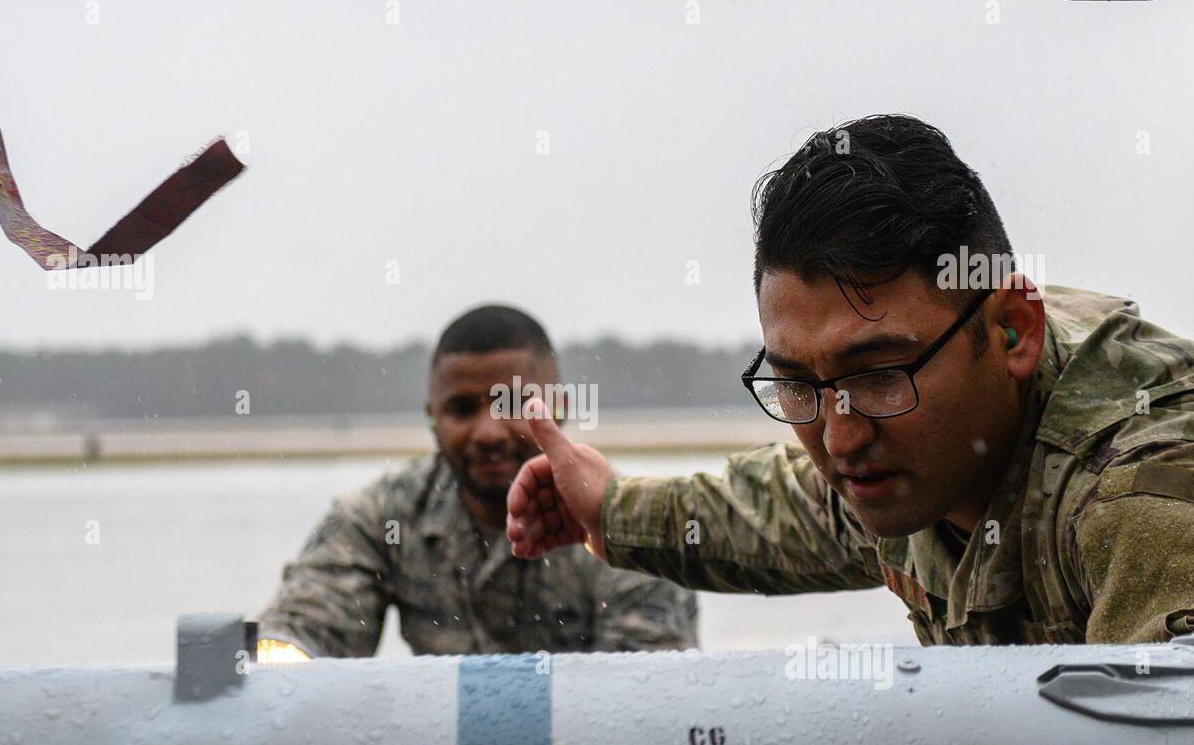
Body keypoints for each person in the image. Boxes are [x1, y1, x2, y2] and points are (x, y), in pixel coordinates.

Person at [507, 114, 1194, 646]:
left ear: (1013, 329)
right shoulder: (910, 451)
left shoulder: (1138, 500)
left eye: (878, 376)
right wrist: (604, 507)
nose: (839, 438)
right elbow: (777, 511)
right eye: (799, 384)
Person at [256, 304, 698, 657]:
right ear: (433, 418)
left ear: (559, 407)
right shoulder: (381, 517)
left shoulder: (619, 519)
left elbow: (652, 680)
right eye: (463, 410)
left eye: (515, 405)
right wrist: (279, 658)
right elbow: (309, 629)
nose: (488, 433)